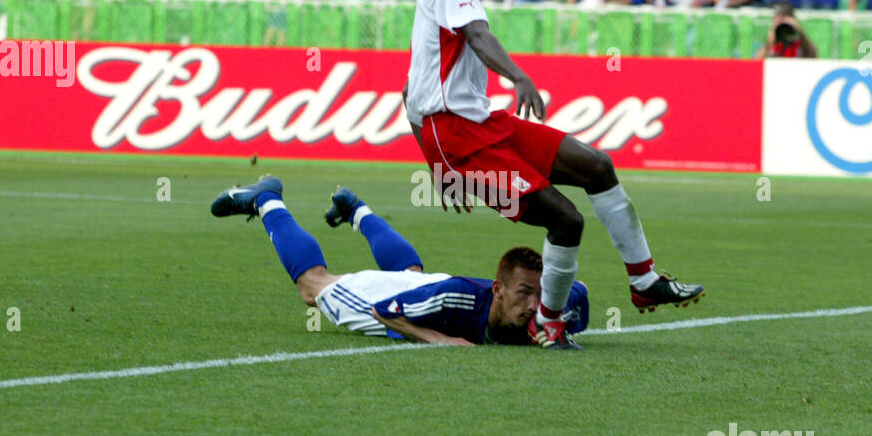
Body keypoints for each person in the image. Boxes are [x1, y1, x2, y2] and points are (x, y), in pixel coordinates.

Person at [401, 0, 705, 351]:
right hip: (457, 139)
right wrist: (518, 78)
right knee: (565, 219)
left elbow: (409, 88)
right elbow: (478, 36)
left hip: (481, 125)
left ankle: (644, 279)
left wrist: (435, 166)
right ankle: (548, 324)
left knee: (597, 167)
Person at [210, 177, 589, 347]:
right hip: (403, 300)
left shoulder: (549, 304)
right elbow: (382, 309)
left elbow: (581, 293)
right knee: (314, 286)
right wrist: (439, 340)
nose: (532, 304)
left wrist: (558, 315)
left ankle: (355, 209)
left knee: (411, 276)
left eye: (537, 295)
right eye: (524, 293)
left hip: (427, 292)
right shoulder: (458, 297)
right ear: (499, 290)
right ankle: (267, 200)